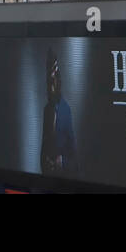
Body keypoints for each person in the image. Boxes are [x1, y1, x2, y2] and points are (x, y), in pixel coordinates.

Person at [40, 48, 77, 176]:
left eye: (53, 81)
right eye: (49, 82)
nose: (51, 87)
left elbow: (75, 157)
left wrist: (62, 162)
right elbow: (43, 148)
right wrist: (45, 164)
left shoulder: (66, 110)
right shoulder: (47, 110)